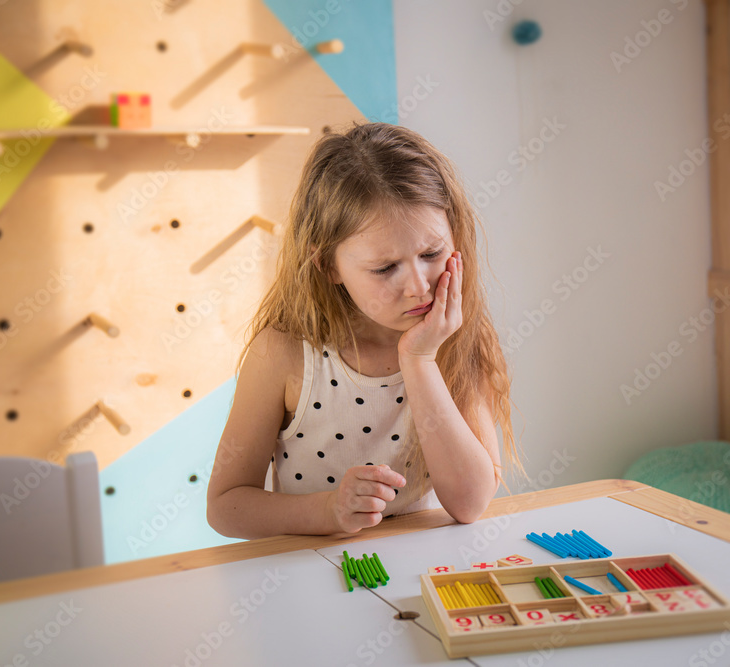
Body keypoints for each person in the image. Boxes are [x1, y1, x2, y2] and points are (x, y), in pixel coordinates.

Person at [206, 122, 521, 538]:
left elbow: (470, 502)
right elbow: (227, 505)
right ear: (328, 266)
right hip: (318, 573)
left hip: (424, 573)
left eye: (432, 252)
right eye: (385, 268)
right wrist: (328, 511)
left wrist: (420, 360)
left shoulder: (458, 336)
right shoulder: (283, 353)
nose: (419, 285)